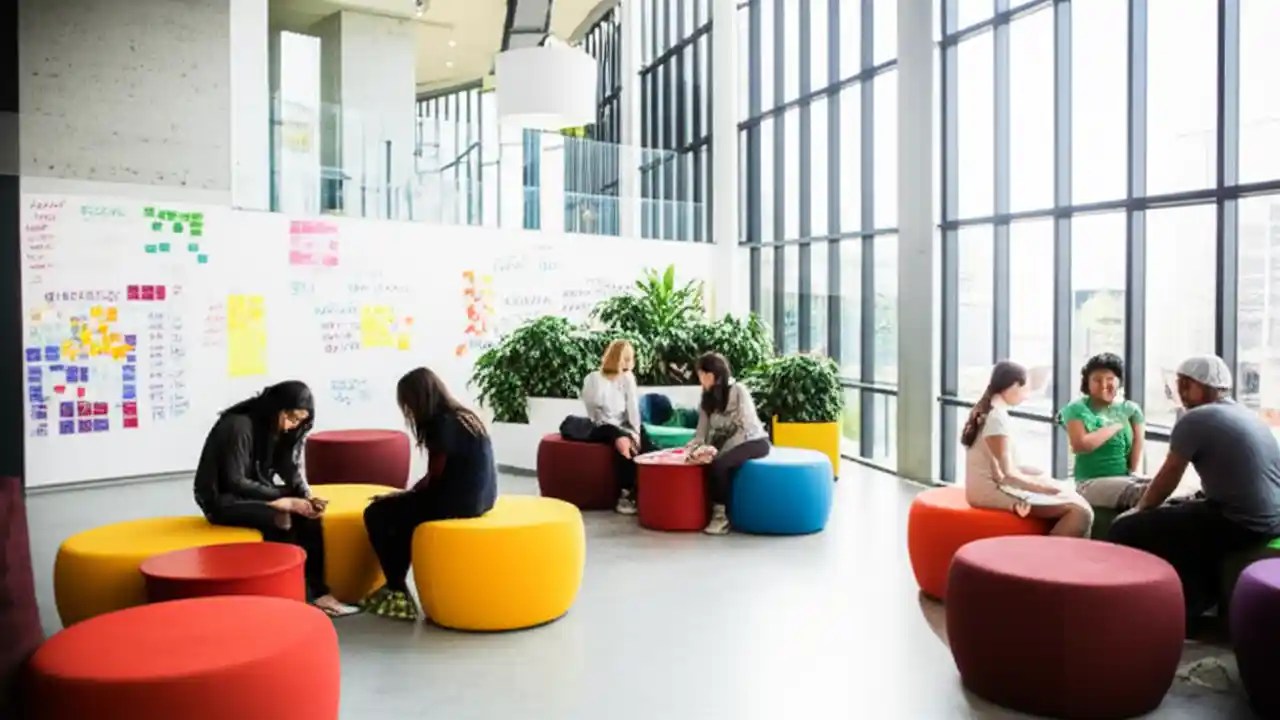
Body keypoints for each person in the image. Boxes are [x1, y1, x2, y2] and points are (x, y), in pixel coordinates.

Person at [1109, 355, 1280, 623]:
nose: (1180, 392)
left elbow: (1168, 478)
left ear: (1201, 386)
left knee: (1126, 528)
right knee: (1184, 518)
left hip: (1241, 523)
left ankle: (1144, 608)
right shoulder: (1245, 414)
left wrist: (1138, 510)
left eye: (1184, 384)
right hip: (1270, 519)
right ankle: (1195, 603)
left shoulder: (1197, 419)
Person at [193, 381, 356, 617]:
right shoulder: (238, 425)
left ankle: (318, 593)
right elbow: (234, 481)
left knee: (308, 515)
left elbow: (287, 466)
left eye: (299, 421)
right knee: (283, 517)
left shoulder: (277, 428)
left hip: (253, 491)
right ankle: (290, 594)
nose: (292, 425)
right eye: (290, 417)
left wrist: (304, 495)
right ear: (275, 407)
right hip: (222, 500)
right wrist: (284, 499)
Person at [362, 367, 498, 621]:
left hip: (458, 502)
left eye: (406, 402)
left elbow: (433, 478)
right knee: (402, 515)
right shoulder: (464, 416)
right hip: (484, 498)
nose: (406, 409)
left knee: (377, 514)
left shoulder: (440, 424)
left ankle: (396, 586)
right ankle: (396, 584)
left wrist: (399, 497)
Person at [962, 361, 1094, 537]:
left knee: (1071, 497)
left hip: (994, 485)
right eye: (1026, 390)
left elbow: (1003, 468)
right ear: (1015, 385)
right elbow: (1008, 474)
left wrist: (1040, 478)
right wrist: (1043, 489)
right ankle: (1044, 561)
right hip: (990, 492)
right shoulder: (996, 419)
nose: (1026, 396)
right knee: (1081, 513)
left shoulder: (993, 411)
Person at [685, 352, 770, 535]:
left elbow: (744, 427)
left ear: (712, 374)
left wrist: (718, 451)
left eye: (702, 374)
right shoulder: (706, 398)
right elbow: (702, 431)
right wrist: (696, 448)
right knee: (702, 461)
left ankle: (721, 517)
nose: (700, 379)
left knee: (719, 465)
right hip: (725, 443)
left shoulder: (738, 391)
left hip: (752, 440)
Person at [1056, 353, 1149, 510]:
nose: (1104, 384)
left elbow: (1138, 442)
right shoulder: (1076, 409)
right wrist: (1117, 424)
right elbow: (1081, 445)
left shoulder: (1131, 409)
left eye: (1110, 379)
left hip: (1124, 479)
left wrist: (1133, 473)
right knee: (1147, 492)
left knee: (1163, 486)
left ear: (1119, 381)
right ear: (1087, 383)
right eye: (1097, 380)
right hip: (1089, 483)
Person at [581, 339, 647, 515]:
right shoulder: (593, 378)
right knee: (619, 438)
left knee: (639, 437)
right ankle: (624, 495)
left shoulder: (628, 379)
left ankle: (646, 489)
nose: (627, 363)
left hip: (622, 424)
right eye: (624, 358)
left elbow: (633, 409)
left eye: (629, 358)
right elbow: (592, 410)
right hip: (601, 425)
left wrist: (636, 433)